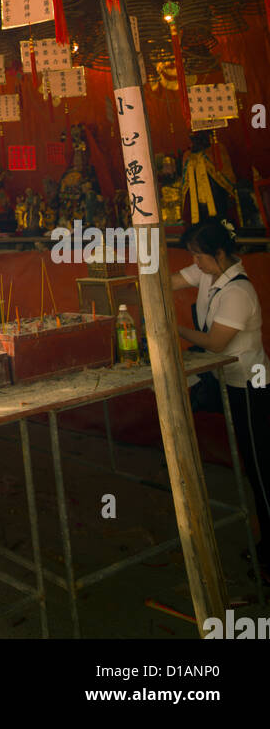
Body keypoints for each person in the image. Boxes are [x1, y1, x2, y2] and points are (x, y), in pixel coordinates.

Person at [172, 216, 270, 579]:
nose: (193, 263)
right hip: (226, 380)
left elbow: (215, 342)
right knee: (254, 468)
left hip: (250, 385)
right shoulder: (209, 273)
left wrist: (173, 327)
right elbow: (169, 283)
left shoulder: (238, 291)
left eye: (198, 256)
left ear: (218, 253)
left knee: (261, 471)